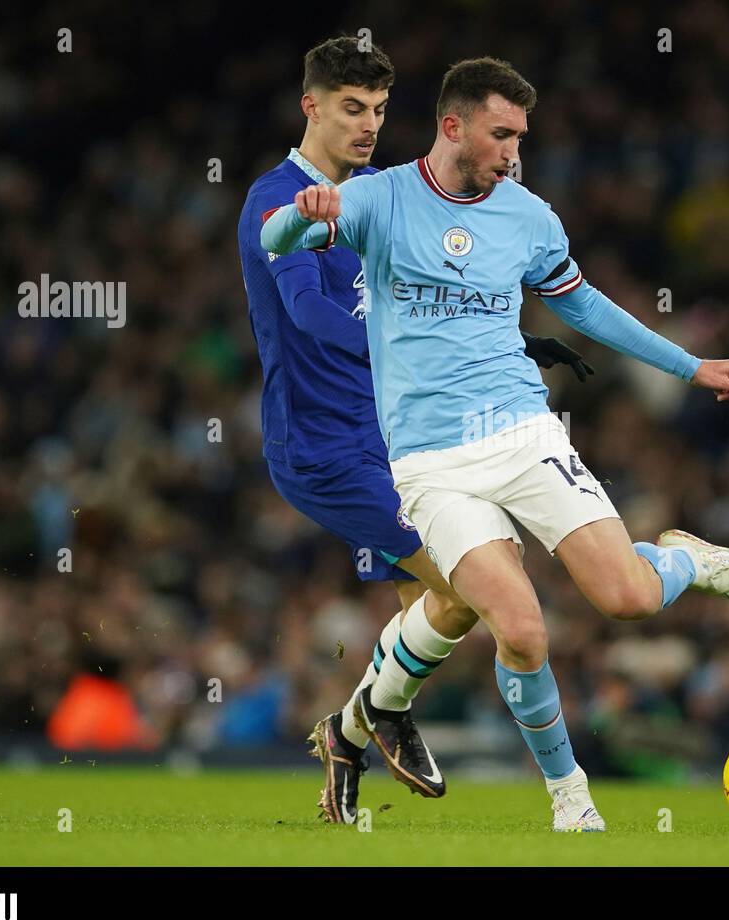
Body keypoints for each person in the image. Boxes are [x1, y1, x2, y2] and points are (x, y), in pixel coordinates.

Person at [261, 57, 729, 830]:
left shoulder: (529, 214)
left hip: (523, 434)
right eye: (500, 134)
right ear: (454, 126)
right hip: (432, 467)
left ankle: (685, 559)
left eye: (519, 136)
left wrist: (689, 364)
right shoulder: (380, 199)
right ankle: (570, 797)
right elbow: (278, 237)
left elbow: (587, 306)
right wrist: (304, 212)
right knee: (522, 628)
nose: (512, 150)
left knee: (628, 599)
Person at [237, 38, 591, 824]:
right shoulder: (278, 198)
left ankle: (352, 737)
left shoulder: (383, 195)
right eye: (352, 109)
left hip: (399, 441)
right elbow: (308, 311)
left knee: (437, 619)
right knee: (467, 592)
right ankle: (369, 721)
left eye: (380, 111)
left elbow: (436, 296)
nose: (368, 126)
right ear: (312, 107)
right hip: (325, 448)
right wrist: (420, 343)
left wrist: (515, 340)